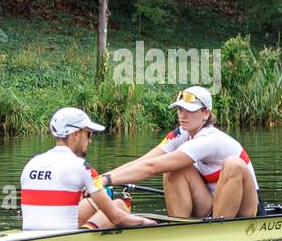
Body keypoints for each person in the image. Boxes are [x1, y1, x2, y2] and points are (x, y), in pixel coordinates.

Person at [103, 86, 259, 218]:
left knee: (233, 164)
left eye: (189, 110)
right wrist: (99, 179)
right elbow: (143, 162)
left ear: (206, 113)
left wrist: (105, 182)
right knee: (173, 169)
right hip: (211, 206)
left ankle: (219, 228)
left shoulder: (209, 139)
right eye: (180, 109)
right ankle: (179, 227)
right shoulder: (181, 134)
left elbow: (152, 167)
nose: (182, 115)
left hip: (246, 208)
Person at [20, 107, 154, 231]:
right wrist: (150, 224)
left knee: (89, 203)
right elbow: (117, 218)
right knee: (119, 205)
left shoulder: (31, 164)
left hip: (29, 234)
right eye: (88, 135)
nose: (90, 141)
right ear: (76, 134)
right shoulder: (83, 168)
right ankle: (88, 234)